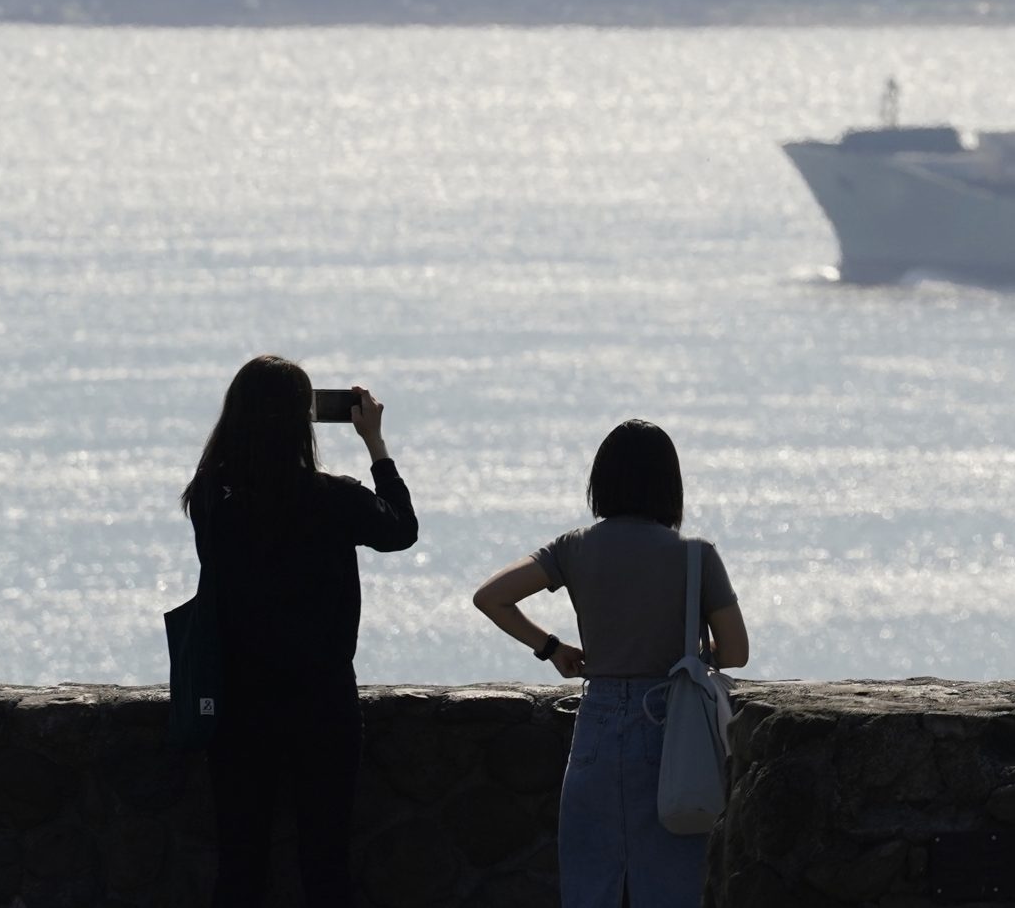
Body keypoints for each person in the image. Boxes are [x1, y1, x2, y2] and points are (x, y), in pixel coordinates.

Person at [473, 420, 750, 908]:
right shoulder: (695, 557)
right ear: (669, 484)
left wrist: (552, 648)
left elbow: (491, 597)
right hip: (671, 729)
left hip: (596, 727)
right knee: (672, 887)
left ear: (601, 482)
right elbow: (736, 653)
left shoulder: (574, 547)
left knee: (591, 885)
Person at [183, 355, 418, 907]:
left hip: (238, 702)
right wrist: (375, 443)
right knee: (325, 863)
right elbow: (401, 530)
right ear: (301, 421)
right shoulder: (331, 498)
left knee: (240, 865)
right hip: (321, 700)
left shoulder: (211, 499)